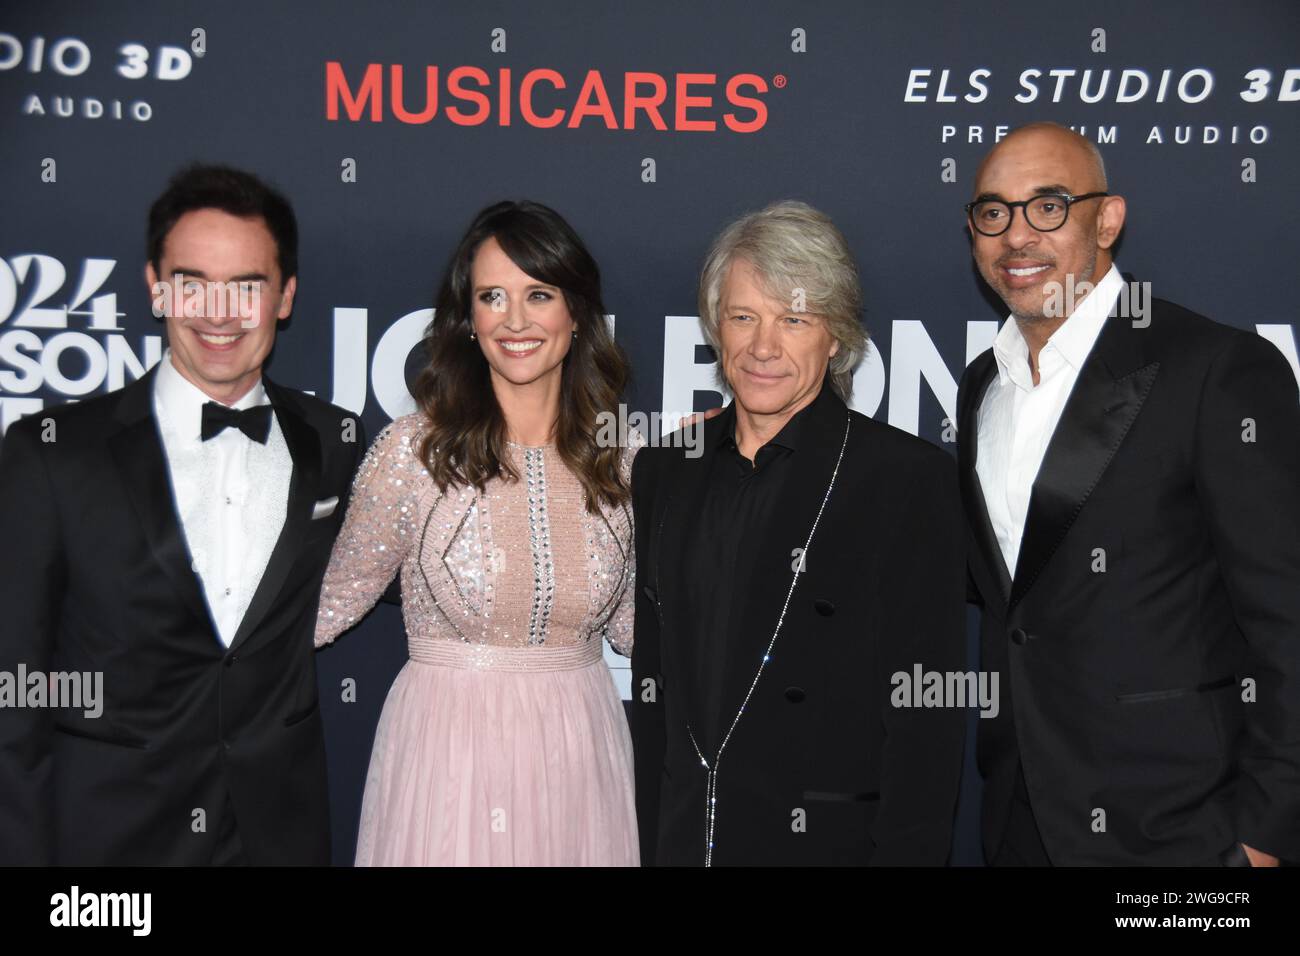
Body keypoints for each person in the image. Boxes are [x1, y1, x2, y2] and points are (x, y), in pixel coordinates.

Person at [957, 122, 1300, 866]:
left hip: (1181, 828)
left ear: (1107, 218)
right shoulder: (982, 385)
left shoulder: (1215, 369)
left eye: (1047, 206)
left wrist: (1265, 834)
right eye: (993, 212)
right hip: (1020, 820)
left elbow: (1288, 616)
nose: (1017, 235)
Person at [0, 164, 363, 865]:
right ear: (156, 287)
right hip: (107, 848)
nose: (218, 313)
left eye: (247, 286)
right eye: (193, 282)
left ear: (285, 296)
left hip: (276, 838)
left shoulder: (337, 443)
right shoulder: (53, 455)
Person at [630, 200, 967, 866]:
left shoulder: (904, 478)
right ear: (715, 329)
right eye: (744, 316)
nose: (763, 347)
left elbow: (925, 713)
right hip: (682, 840)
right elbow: (653, 691)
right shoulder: (664, 470)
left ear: (836, 336)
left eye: (794, 320)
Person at [315, 200, 640, 866]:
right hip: (449, 755)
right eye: (493, 296)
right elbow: (326, 606)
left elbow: (638, 630)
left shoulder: (622, 456)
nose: (515, 321)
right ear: (468, 320)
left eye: (538, 294)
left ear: (576, 314)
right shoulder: (416, 453)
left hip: (581, 750)